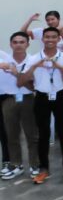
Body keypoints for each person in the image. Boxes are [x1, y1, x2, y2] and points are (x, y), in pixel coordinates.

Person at [20, 27, 63, 183]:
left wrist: (57, 65)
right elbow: (24, 79)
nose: (50, 40)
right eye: (47, 37)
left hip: (60, 95)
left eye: (53, 37)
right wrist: (36, 66)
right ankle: (43, 168)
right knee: (43, 134)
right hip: (42, 97)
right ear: (42, 39)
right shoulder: (33, 58)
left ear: (59, 39)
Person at [0, 31, 39, 179]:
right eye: (15, 42)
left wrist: (16, 73)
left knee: (31, 134)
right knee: (11, 134)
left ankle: (35, 164)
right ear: (10, 44)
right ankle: (16, 164)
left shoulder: (33, 61)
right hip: (9, 99)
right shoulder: (5, 60)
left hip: (28, 99)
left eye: (22, 42)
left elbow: (32, 86)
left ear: (27, 44)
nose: (18, 45)